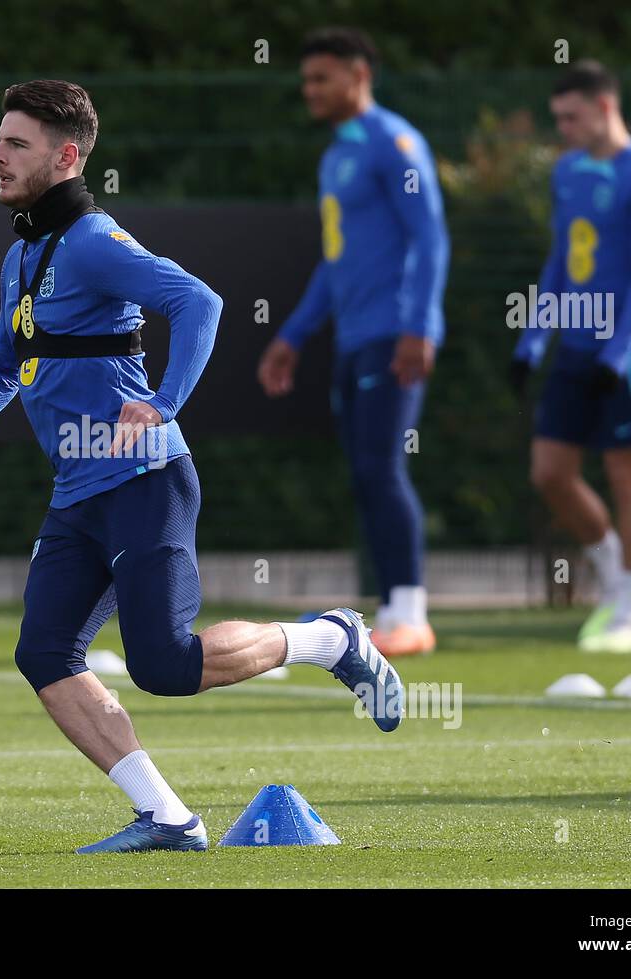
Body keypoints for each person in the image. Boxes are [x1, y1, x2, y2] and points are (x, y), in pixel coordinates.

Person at [0, 78, 403, 854]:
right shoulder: (22, 254)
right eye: (0, 139)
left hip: (145, 479)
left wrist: (164, 401)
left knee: (166, 665)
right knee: (42, 652)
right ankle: (170, 817)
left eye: (15, 143)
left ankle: (331, 640)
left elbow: (201, 303)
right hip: (78, 492)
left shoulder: (91, 240)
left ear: (66, 156)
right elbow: (3, 359)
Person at [258, 27, 450, 658]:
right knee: (366, 474)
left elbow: (430, 239)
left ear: (357, 75)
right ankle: (391, 608)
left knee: (383, 468)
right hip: (355, 338)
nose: (309, 90)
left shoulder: (394, 143)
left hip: (395, 334)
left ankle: (410, 612)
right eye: (306, 79)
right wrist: (293, 333)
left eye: (321, 78)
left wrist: (419, 325)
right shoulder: (337, 154)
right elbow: (336, 260)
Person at [510, 61, 631, 653]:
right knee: (550, 473)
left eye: (571, 116)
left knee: (628, 473)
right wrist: (532, 340)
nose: (563, 128)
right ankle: (616, 574)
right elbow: (561, 261)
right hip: (575, 343)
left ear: (605, 108)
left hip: (629, 349)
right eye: (557, 119)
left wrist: (619, 351)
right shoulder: (568, 171)